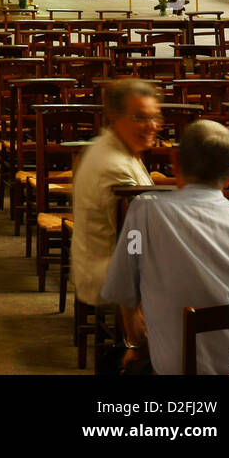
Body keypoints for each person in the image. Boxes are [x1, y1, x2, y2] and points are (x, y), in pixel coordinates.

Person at [102, 120, 229, 375]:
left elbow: (124, 293)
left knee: (114, 362)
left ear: (175, 163)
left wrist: (137, 345)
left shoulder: (144, 212)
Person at [70, 78, 164, 309]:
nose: (151, 126)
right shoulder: (114, 166)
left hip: (116, 260)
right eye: (140, 118)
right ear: (114, 117)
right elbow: (136, 242)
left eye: (155, 117)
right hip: (107, 272)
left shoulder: (116, 146)